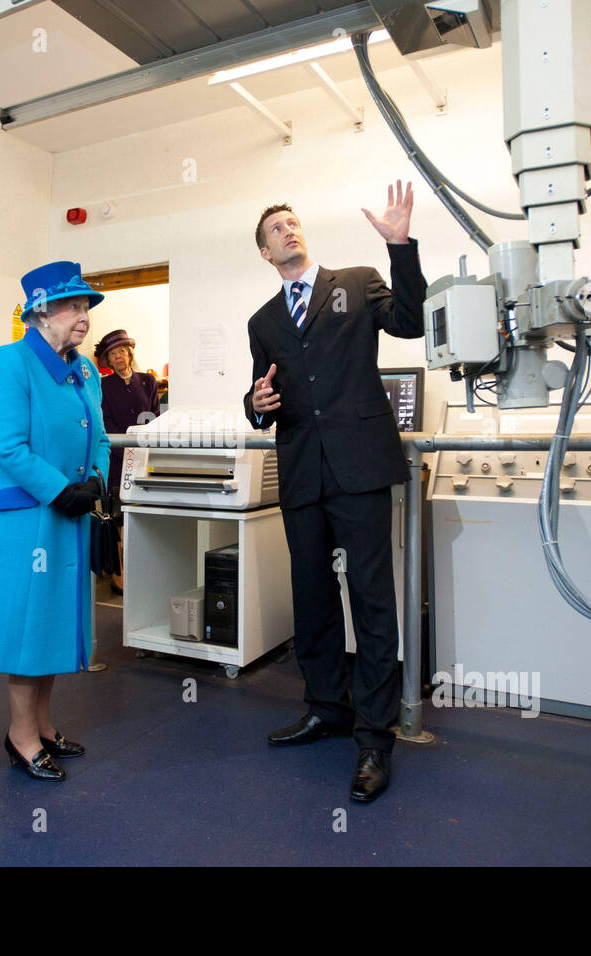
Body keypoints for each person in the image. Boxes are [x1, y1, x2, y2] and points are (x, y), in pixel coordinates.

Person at [243, 181, 428, 804]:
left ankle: (375, 737)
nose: (287, 231)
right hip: (301, 473)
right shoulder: (263, 322)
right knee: (313, 598)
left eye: (293, 222)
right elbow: (260, 398)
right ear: (264, 253)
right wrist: (255, 404)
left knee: (373, 601)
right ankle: (327, 707)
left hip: (361, 467)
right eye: (275, 229)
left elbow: (408, 321)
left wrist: (401, 248)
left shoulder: (356, 279)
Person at [0, 261, 110, 782]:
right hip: (30, 518)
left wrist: (95, 477)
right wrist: (60, 489)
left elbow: (100, 436)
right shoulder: (10, 363)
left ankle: (44, 726)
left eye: (86, 306)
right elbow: (8, 446)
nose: (83, 316)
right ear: (41, 311)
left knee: (53, 619)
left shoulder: (85, 370)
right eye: (73, 305)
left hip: (70, 511)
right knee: (28, 625)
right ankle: (20, 737)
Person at [95, 328, 161, 593]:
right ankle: (119, 576)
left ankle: (143, 571)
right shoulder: (104, 386)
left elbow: (154, 414)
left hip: (144, 457)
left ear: (129, 353)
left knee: (143, 516)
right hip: (118, 458)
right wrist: (125, 449)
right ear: (108, 361)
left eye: (121, 351)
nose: (118, 357)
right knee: (119, 517)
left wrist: (145, 445)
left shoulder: (148, 381)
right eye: (112, 355)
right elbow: (106, 422)